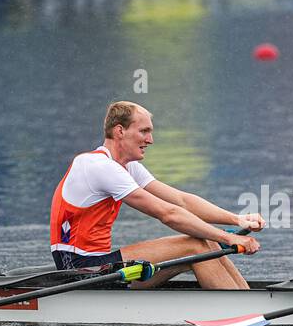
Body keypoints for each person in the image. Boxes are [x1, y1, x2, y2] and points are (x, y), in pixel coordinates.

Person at [50, 102, 262, 288]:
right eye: (144, 131)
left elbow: (181, 201)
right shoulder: (98, 166)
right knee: (196, 246)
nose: (150, 140)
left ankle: (248, 304)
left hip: (102, 265)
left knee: (207, 241)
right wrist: (228, 237)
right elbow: (168, 214)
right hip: (80, 270)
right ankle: (241, 309)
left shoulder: (127, 166)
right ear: (120, 131)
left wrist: (237, 219)